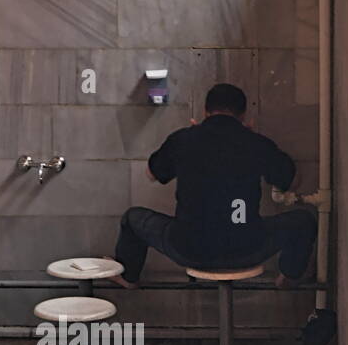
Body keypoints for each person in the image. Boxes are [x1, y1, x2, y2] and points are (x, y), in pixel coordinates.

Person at [113, 82, 317, 289]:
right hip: (247, 248)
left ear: (205, 111)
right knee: (304, 220)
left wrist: (188, 143)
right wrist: (251, 140)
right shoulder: (255, 142)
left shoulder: (184, 139)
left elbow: (151, 173)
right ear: (243, 115)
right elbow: (293, 182)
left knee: (132, 218)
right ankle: (289, 277)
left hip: (188, 247)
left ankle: (129, 277)